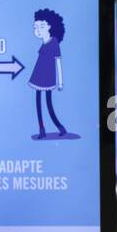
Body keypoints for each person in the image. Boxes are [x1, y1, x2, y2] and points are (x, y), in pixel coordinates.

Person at [29, 8, 67, 138]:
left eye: (41, 26)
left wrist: (60, 83)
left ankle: (60, 128)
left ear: (50, 26)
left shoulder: (54, 43)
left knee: (48, 104)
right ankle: (42, 130)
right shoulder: (44, 44)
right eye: (36, 27)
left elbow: (58, 63)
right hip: (37, 77)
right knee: (38, 105)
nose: (38, 29)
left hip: (48, 79)